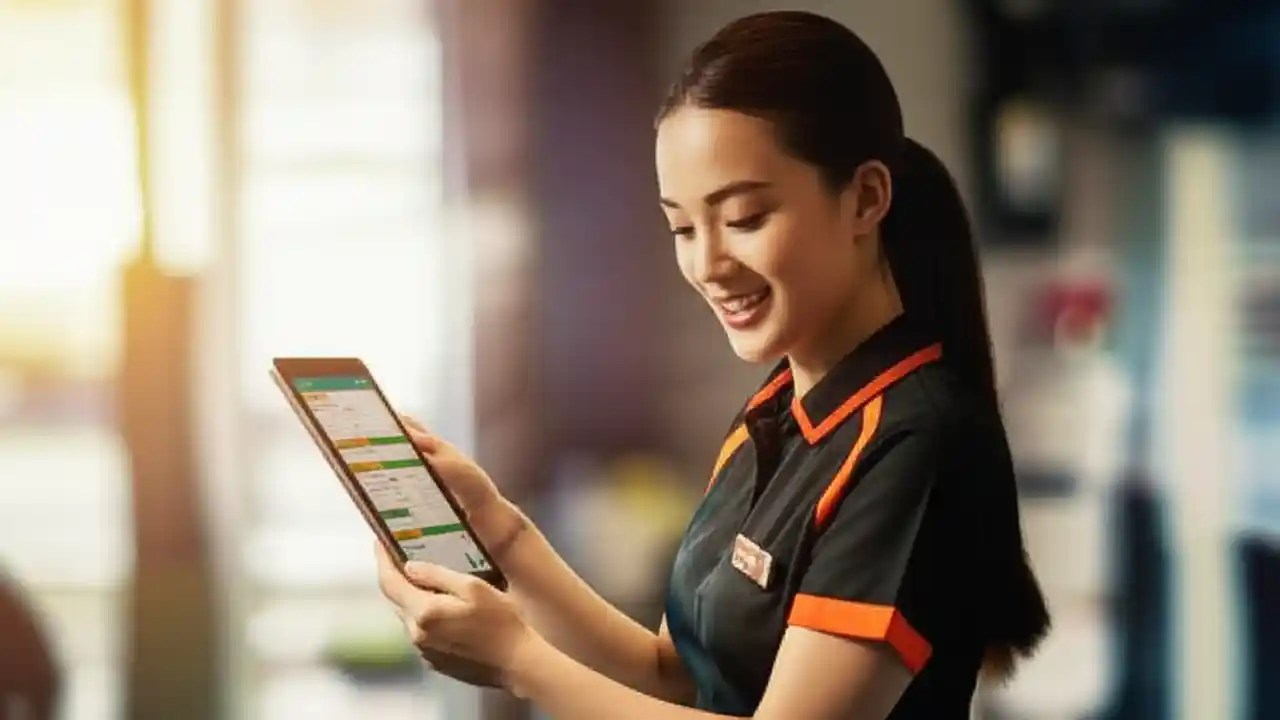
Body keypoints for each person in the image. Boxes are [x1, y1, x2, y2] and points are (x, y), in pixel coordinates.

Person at [375, 11, 1050, 719]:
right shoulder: (774, 414)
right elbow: (672, 676)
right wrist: (500, 531)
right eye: (682, 227)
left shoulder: (916, 440)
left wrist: (519, 663)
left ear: (866, 198)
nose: (707, 265)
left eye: (745, 218)